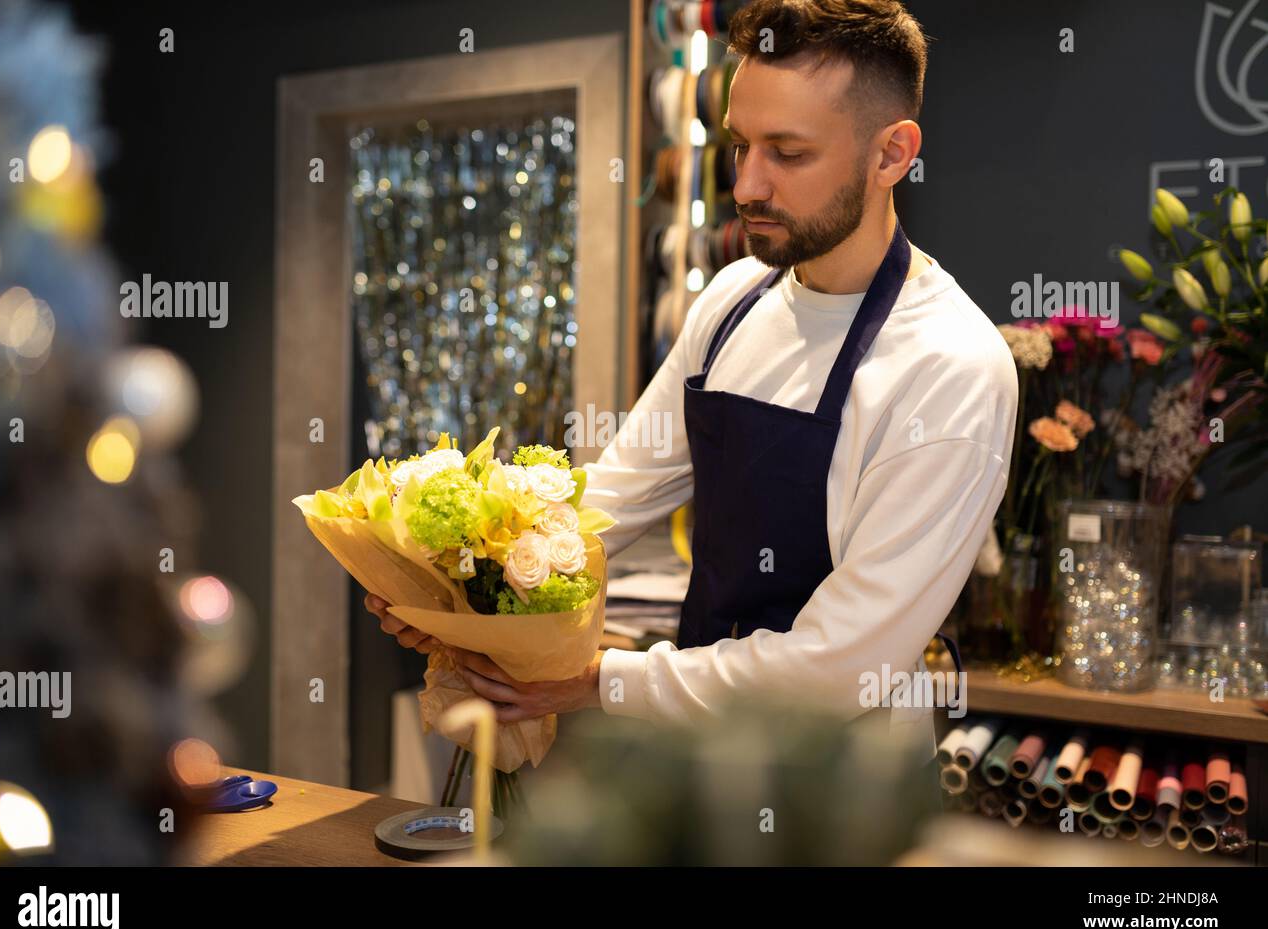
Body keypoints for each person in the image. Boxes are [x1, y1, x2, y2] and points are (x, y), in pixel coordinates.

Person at [368, 0, 1017, 765]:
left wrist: (597, 679)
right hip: (706, 767)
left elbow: (838, 666)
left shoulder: (951, 367)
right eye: (741, 145)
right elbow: (607, 504)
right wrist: (457, 594)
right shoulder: (733, 300)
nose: (747, 185)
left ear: (891, 154)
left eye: (788, 153)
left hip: (843, 793)